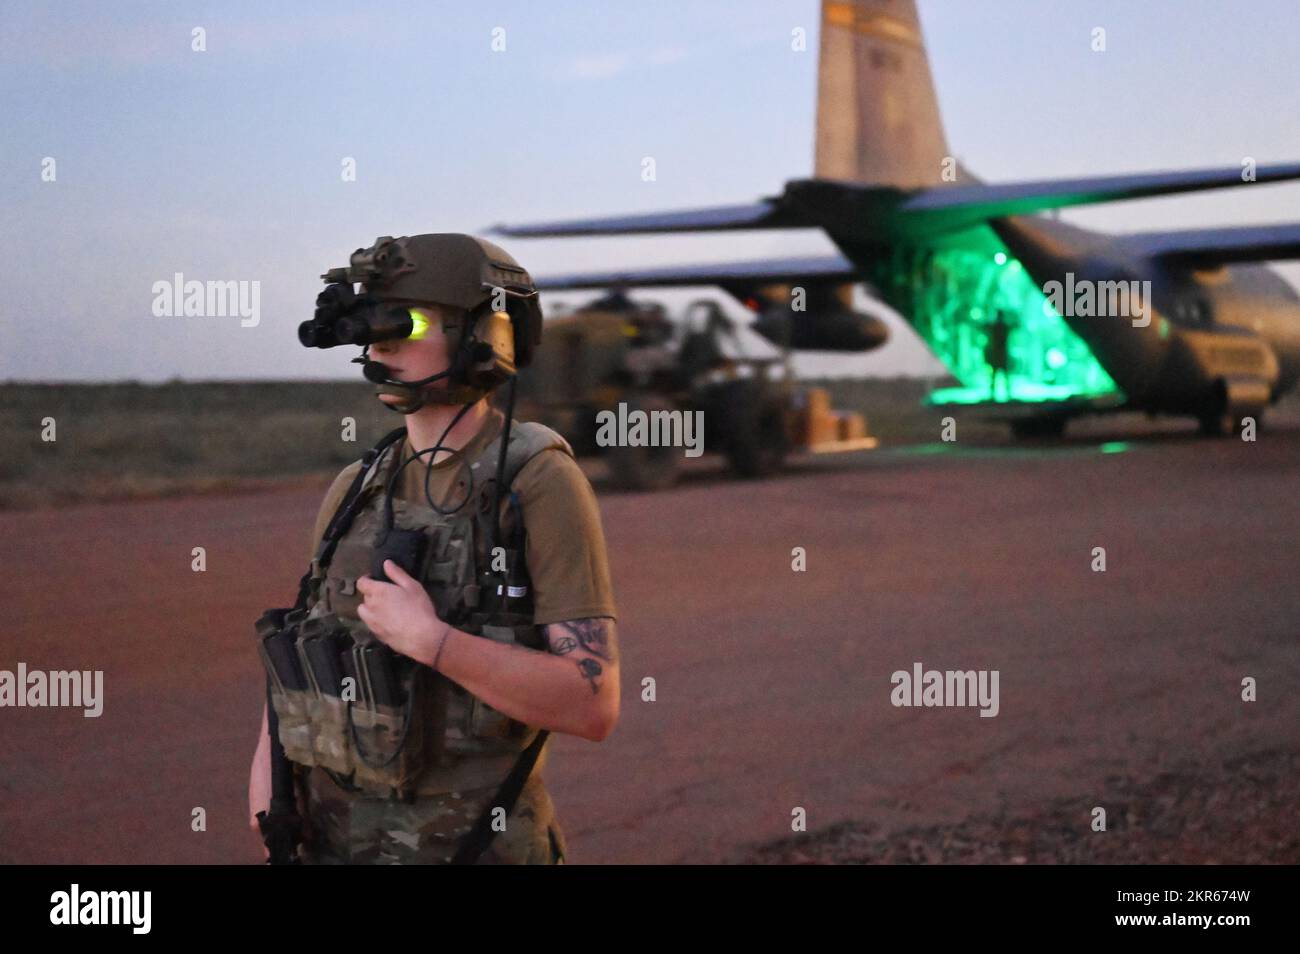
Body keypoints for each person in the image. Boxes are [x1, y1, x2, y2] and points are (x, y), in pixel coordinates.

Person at [247, 234, 620, 864]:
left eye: (409, 323)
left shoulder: (537, 481)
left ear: (488, 336)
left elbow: (592, 703)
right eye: (373, 329)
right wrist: (270, 800)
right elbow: (303, 654)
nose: (381, 346)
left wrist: (434, 643)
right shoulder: (356, 487)